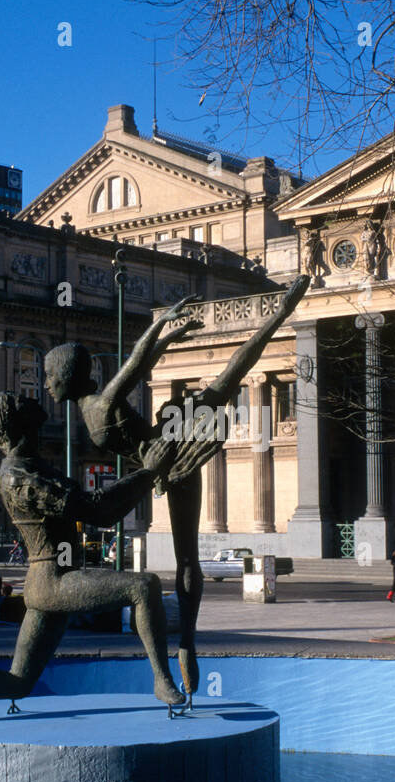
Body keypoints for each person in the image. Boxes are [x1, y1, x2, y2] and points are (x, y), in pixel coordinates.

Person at [44, 273, 311, 698]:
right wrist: (167, 331)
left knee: (228, 378)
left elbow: (136, 360)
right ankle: (187, 641)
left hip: (166, 450)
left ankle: (186, 644)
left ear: (67, 376)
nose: (45, 384)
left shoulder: (98, 408)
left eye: (49, 376)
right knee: (227, 380)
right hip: (167, 458)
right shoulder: (95, 406)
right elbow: (140, 360)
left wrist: (164, 326)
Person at [0, 392, 205, 712]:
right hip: (56, 581)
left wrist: (146, 476)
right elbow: (98, 511)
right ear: (14, 424)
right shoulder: (21, 476)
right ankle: (162, 680)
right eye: (20, 401)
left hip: (48, 581)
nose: (32, 398)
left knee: (17, 683)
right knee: (143, 586)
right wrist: (148, 472)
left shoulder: (30, 466)